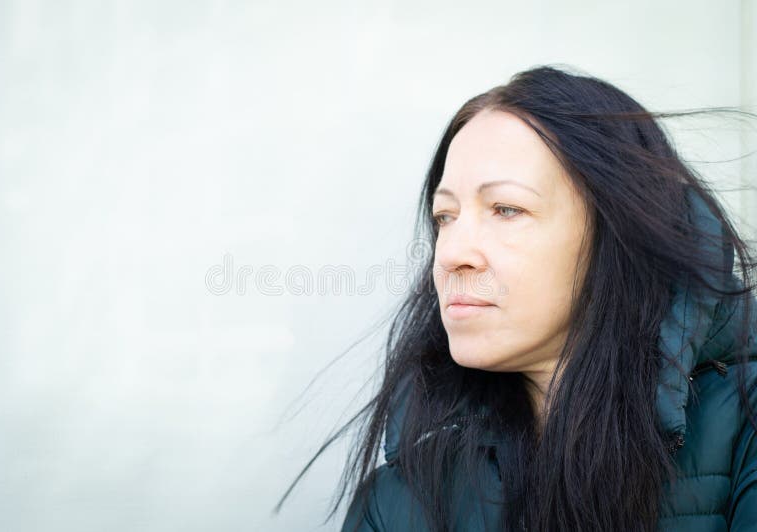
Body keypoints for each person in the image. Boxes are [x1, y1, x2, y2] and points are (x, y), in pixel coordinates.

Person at [276, 65, 757, 531]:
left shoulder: (745, 428)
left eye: (506, 209)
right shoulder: (400, 497)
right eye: (445, 217)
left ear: (618, 234)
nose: (452, 254)